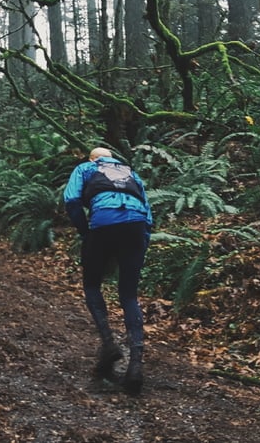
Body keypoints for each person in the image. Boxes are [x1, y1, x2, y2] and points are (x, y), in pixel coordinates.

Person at [63, 146, 153, 394]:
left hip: (102, 222)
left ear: (93, 158)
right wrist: (141, 244)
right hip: (135, 226)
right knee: (129, 295)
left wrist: (86, 232)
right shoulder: (130, 172)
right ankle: (135, 365)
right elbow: (148, 213)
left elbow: (71, 200)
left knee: (92, 285)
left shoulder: (85, 168)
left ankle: (109, 343)